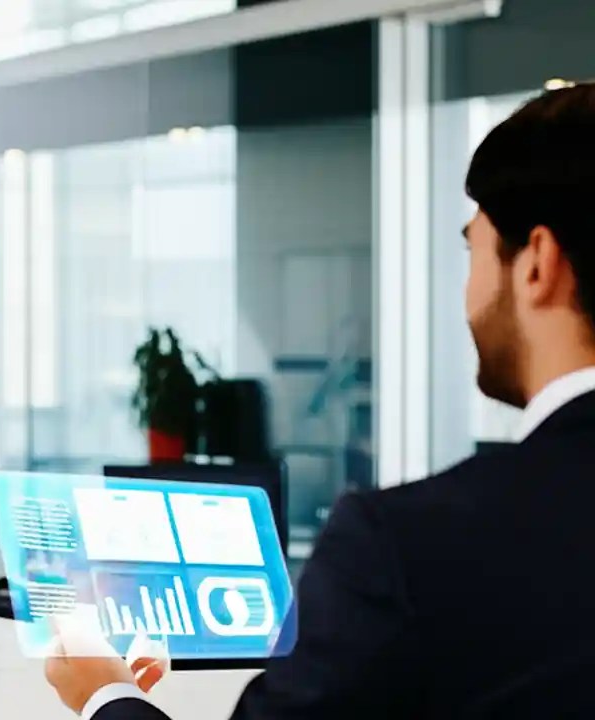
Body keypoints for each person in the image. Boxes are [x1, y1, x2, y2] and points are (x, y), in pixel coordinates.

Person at [45, 83, 595, 719]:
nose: (468, 292)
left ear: (537, 265)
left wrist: (103, 692)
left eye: (472, 249)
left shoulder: (407, 548)